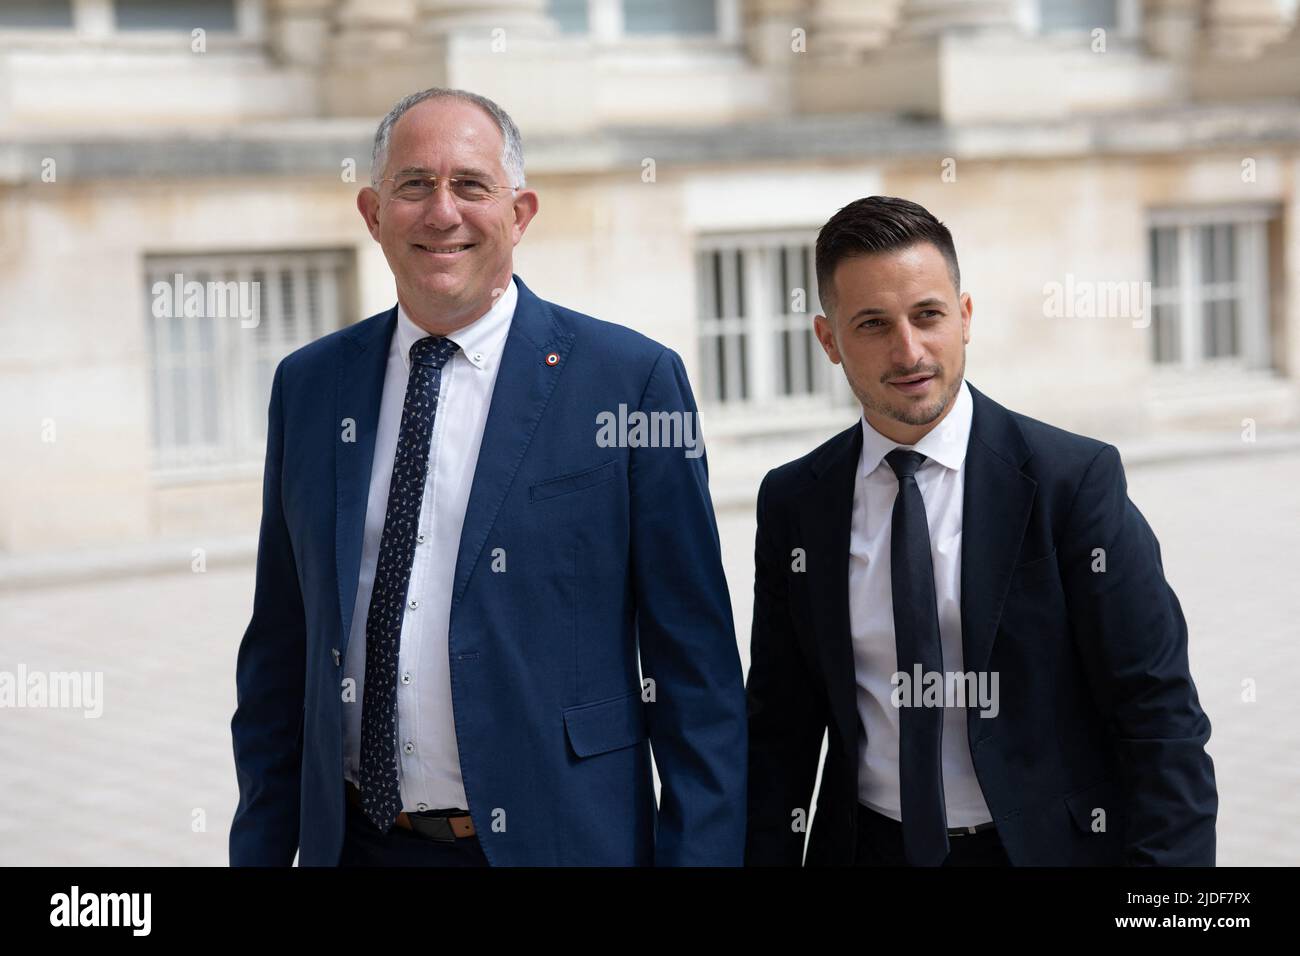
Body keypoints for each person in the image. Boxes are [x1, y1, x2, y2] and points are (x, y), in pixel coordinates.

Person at [230, 87, 746, 866]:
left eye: (471, 185)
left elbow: (697, 676)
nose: (443, 213)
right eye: (414, 186)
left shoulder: (628, 382)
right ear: (373, 214)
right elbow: (279, 656)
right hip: (361, 846)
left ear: (521, 212)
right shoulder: (310, 387)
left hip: (563, 842)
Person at [745, 196, 1217, 866]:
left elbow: (1159, 714)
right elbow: (779, 729)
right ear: (828, 340)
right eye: (874, 324)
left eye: (928, 315)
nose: (908, 350)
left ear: (965, 318)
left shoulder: (1072, 482)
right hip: (867, 850)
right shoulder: (795, 501)